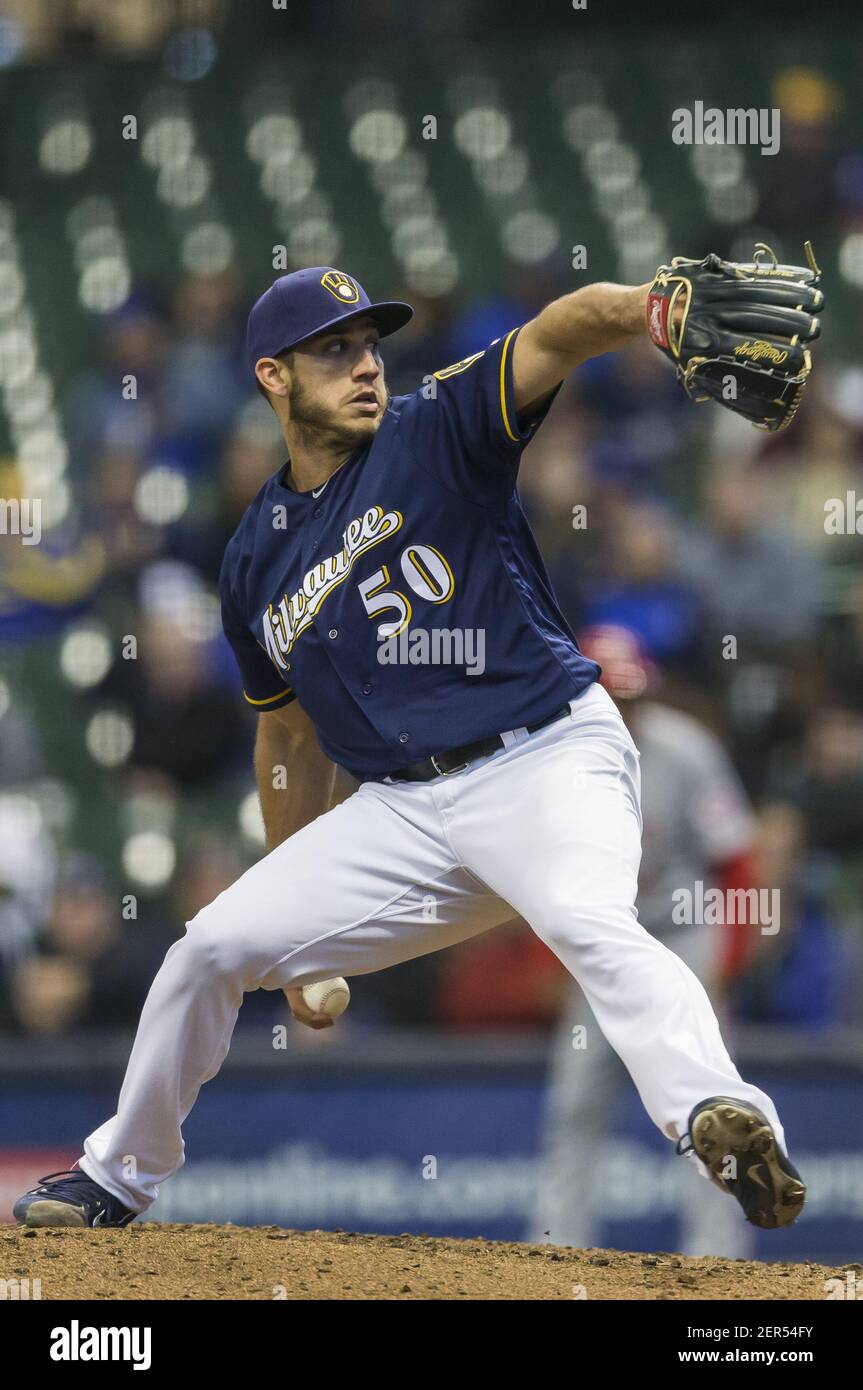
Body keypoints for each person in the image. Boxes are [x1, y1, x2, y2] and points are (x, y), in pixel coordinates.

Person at [15, 264, 804, 1231]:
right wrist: (296, 928)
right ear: (272, 377)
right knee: (210, 947)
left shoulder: (438, 428)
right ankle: (117, 1176)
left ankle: (717, 1114)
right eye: (333, 350)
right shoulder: (255, 554)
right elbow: (288, 734)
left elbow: (558, 330)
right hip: (404, 811)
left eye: (369, 345)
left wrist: (650, 311)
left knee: (585, 921)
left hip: (547, 757)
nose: (364, 366)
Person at [532, 625, 759, 1257]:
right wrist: (552, 955)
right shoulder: (557, 764)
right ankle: (558, 1251)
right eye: (607, 690)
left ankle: (719, 1260)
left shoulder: (686, 751)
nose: (620, 703)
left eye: (630, 690)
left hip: (685, 939)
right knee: (577, 1102)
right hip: (607, 945)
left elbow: (737, 859)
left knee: (707, 1103)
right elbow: (543, 874)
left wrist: (729, 957)